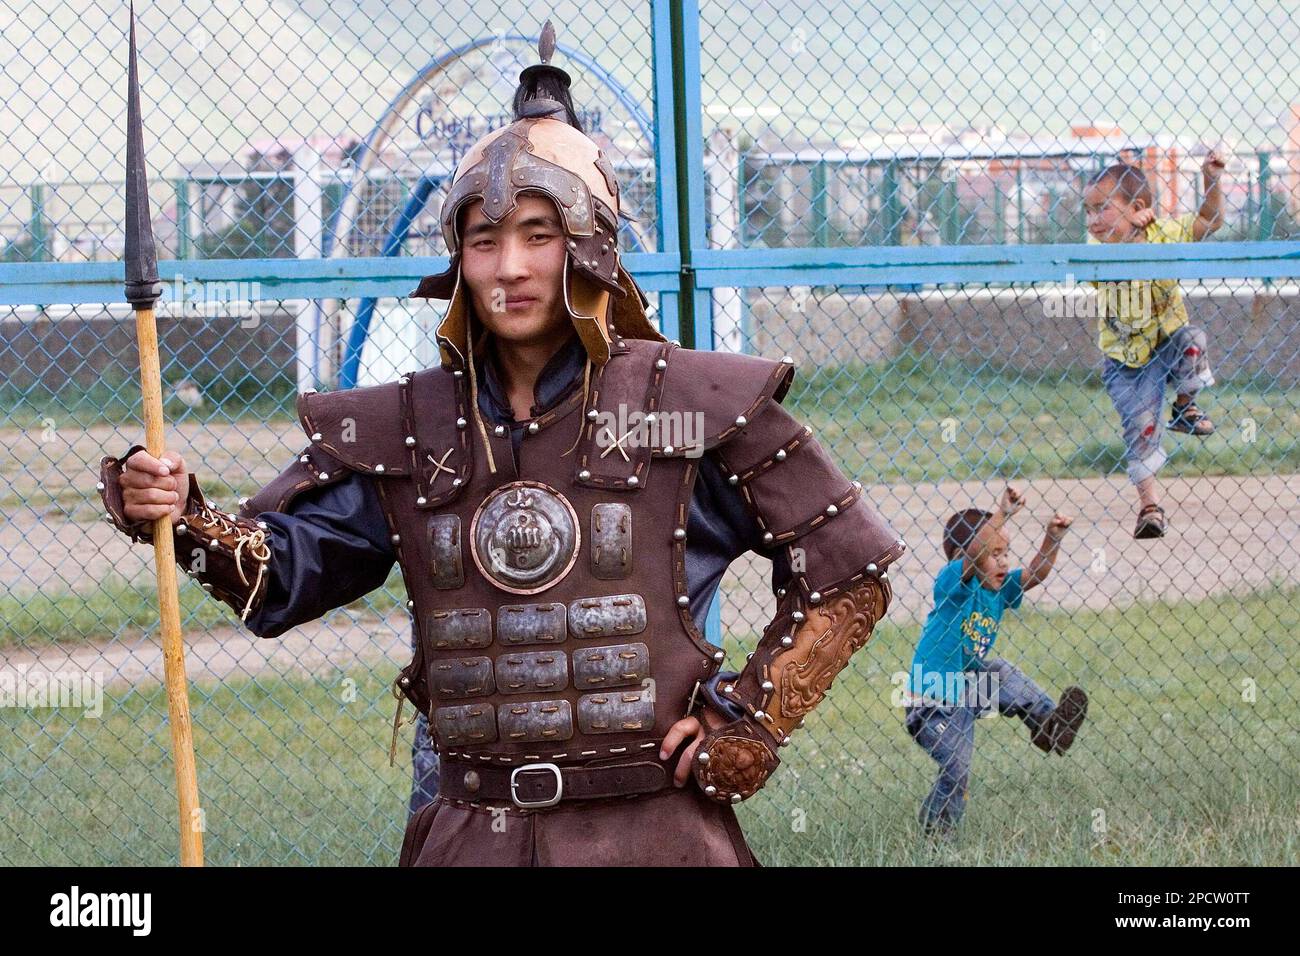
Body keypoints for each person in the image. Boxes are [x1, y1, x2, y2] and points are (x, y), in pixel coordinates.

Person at [97, 22, 905, 866]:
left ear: (588, 249)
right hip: (467, 830)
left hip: (656, 833)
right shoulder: (407, 427)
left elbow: (850, 568)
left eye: (536, 235)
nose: (509, 266)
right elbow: (276, 580)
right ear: (458, 261)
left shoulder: (689, 404)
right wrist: (183, 518)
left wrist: (751, 720)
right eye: (484, 241)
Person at [903, 484, 1087, 836]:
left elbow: (1036, 573)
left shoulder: (998, 592)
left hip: (966, 694)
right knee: (957, 769)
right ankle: (936, 834)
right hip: (931, 703)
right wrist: (1002, 513)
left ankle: (1050, 726)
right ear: (965, 557)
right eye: (995, 552)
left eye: (1007, 552)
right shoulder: (953, 587)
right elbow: (973, 555)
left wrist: (1052, 538)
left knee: (1000, 670)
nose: (1004, 561)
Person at [1082, 152, 1225, 538]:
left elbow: (1210, 221)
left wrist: (1210, 180)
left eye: (1102, 209)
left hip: (1167, 343)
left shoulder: (1162, 232)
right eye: (1088, 211)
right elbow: (1112, 260)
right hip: (1125, 360)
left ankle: (1184, 407)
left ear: (1138, 207)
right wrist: (1130, 235)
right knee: (1141, 425)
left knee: (1193, 339)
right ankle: (1149, 506)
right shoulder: (1097, 248)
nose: (1093, 221)